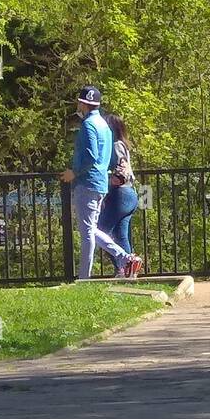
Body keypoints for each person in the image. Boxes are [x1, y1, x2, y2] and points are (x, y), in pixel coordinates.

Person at [59, 86, 139, 279]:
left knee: (88, 232)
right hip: (101, 183)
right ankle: (125, 260)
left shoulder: (88, 125)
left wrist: (73, 173)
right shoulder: (104, 125)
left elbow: (91, 157)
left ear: (83, 104)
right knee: (93, 229)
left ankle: (86, 278)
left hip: (87, 182)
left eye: (79, 102)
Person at [99, 113, 142, 277]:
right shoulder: (123, 145)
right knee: (121, 235)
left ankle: (122, 266)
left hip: (120, 195)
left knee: (99, 231)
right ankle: (129, 270)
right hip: (129, 194)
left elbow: (120, 174)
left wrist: (106, 179)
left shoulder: (116, 146)